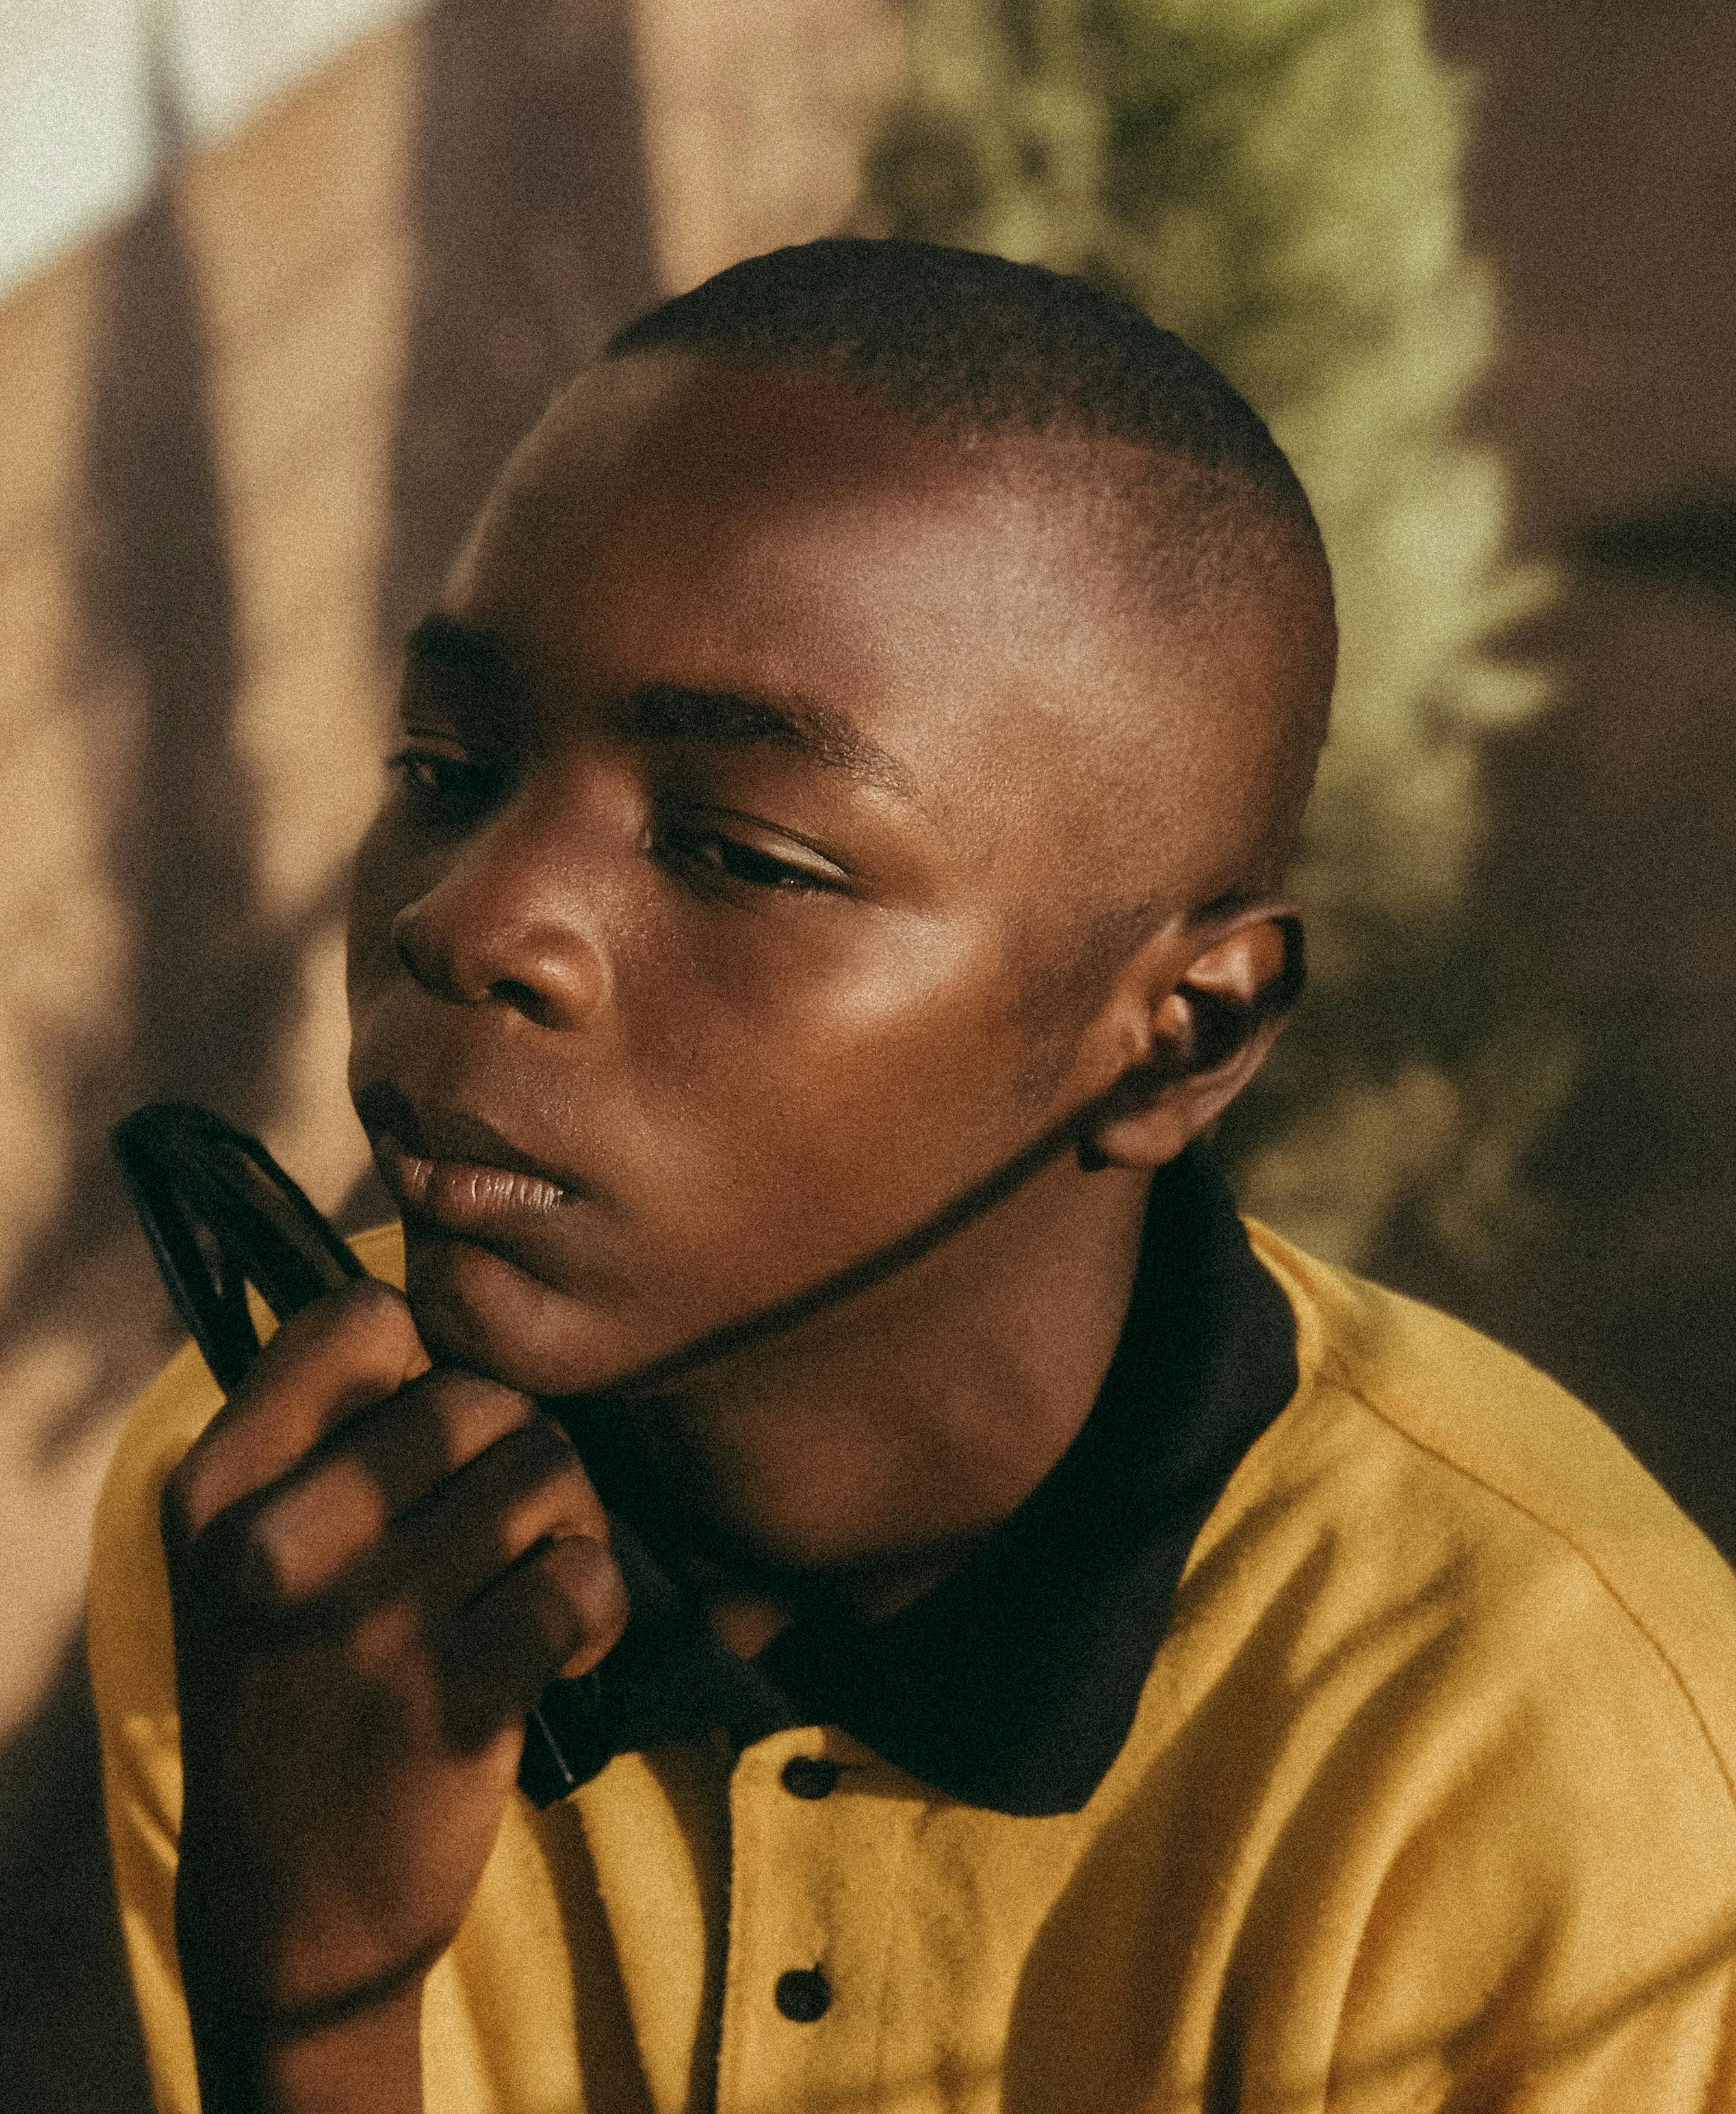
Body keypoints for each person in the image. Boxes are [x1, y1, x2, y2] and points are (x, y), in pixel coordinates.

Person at [90, 240, 1736, 2114]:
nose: (477, 921)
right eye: (446, 764)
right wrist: (302, 1996)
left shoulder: (1549, 1781)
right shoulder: (288, 1532)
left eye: (743, 853)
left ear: (1178, 1030)